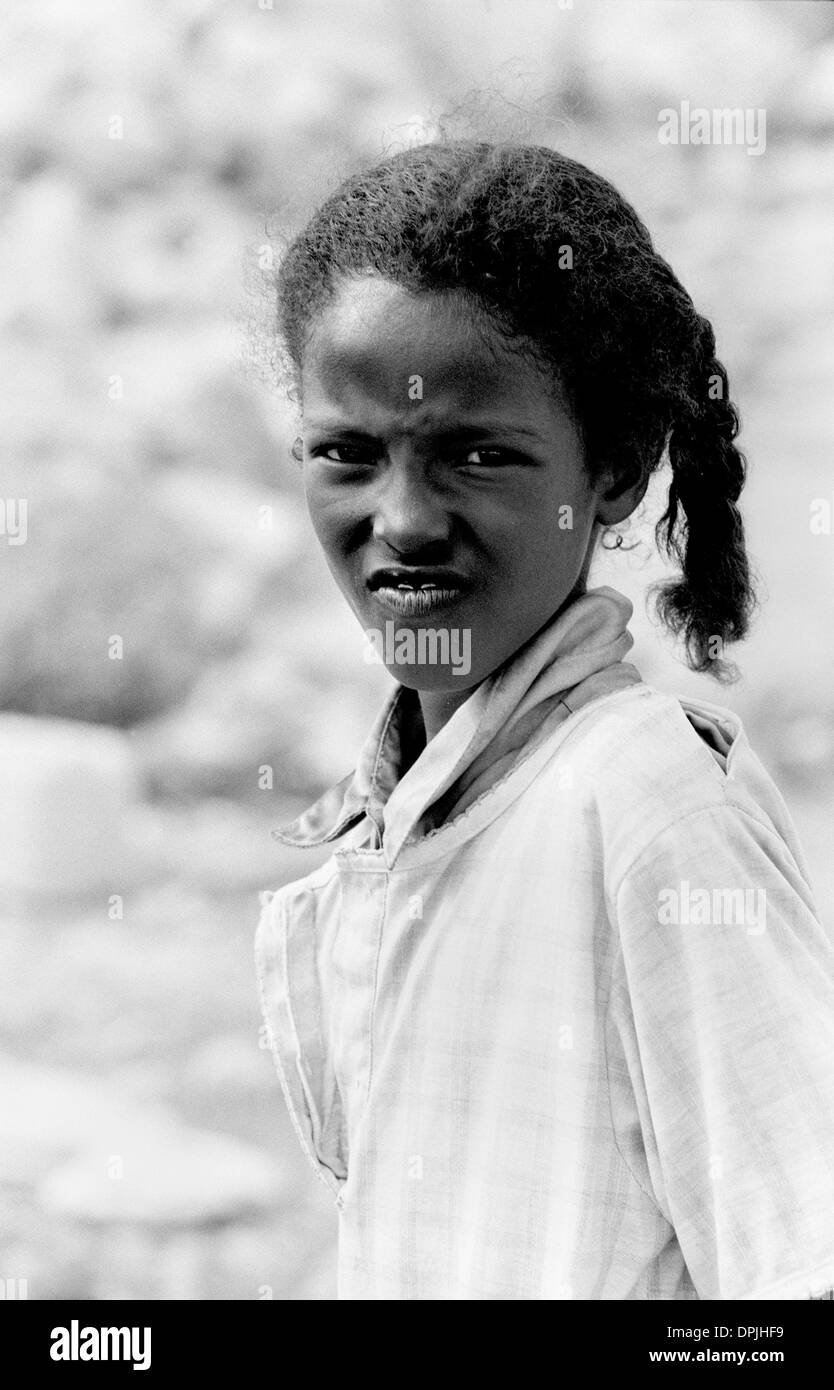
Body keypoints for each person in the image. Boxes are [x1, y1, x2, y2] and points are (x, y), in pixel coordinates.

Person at [255, 140, 834, 1300]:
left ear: (611, 471)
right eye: (348, 455)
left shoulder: (648, 805)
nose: (403, 519)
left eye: (478, 454)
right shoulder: (408, 818)